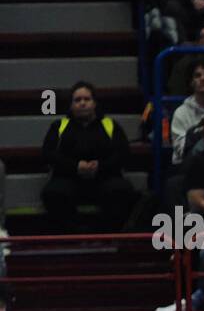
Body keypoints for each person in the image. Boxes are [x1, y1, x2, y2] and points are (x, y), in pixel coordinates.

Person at [40, 82, 137, 232]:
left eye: (87, 99)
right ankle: (73, 234)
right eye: (77, 100)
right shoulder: (59, 126)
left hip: (104, 178)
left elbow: (123, 154)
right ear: (71, 105)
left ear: (95, 103)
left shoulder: (110, 125)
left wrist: (100, 166)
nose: (82, 103)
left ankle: (106, 235)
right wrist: (75, 167)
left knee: (121, 190)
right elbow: (48, 154)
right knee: (53, 193)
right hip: (68, 178)